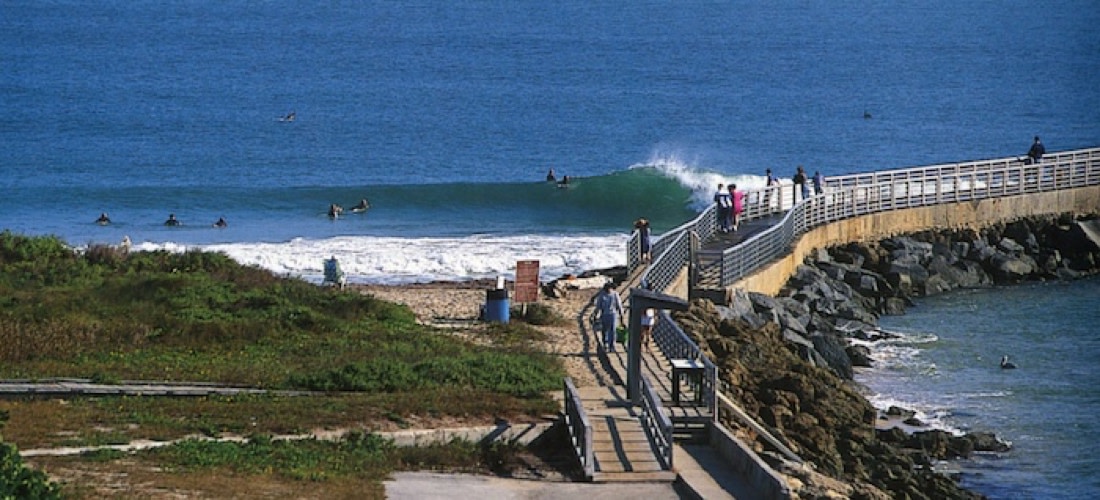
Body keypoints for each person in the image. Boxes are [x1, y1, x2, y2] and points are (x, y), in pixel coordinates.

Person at [594, 282, 625, 353]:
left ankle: (612, 346)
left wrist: (621, 315)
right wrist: (595, 315)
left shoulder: (615, 294)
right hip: (604, 314)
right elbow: (598, 306)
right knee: (604, 330)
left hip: (613, 314)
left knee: (612, 330)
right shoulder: (602, 295)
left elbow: (619, 305)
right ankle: (605, 343)